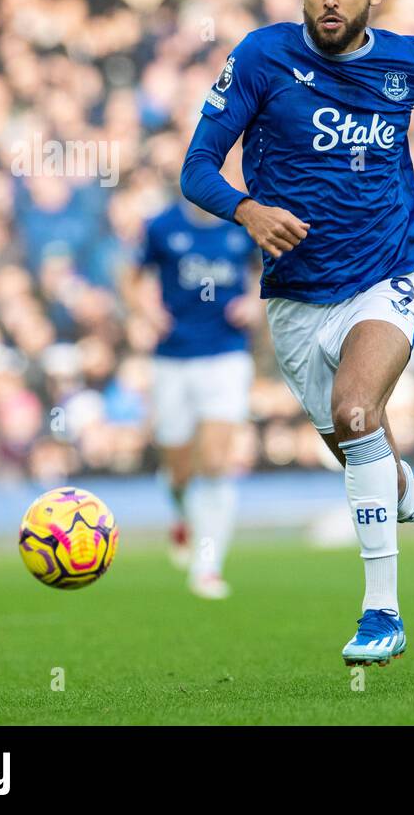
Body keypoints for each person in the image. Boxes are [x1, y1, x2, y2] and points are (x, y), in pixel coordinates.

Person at [180, 0, 414, 665]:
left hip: (388, 273)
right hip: (295, 299)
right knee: (371, 465)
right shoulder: (261, 57)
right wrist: (246, 208)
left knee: (356, 410)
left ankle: (382, 613)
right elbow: (197, 167)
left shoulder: (411, 62)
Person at [134, 196, 260, 600]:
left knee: (216, 462)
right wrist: (145, 310)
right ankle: (182, 515)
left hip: (226, 355)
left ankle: (207, 567)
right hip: (172, 357)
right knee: (179, 471)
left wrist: (255, 301)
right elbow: (133, 274)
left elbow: (266, 270)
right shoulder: (162, 226)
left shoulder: (244, 223)